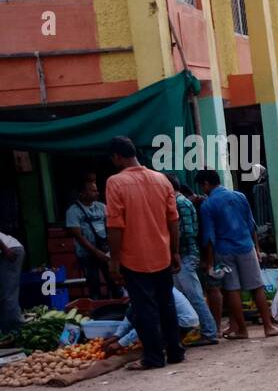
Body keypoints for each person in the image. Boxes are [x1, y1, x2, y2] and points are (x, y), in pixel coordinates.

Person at [104, 136, 184, 371]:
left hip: (134, 258)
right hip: (162, 254)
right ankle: (175, 351)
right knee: (166, 304)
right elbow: (174, 220)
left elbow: (115, 226)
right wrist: (175, 252)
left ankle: (153, 357)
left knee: (144, 309)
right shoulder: (161, 180)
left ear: (117, 157)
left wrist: (114, 260)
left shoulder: (115, 183)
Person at [194, 169, 278, 340]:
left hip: (224, 250)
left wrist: (209, 261)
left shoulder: (208, 205)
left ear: (206, 184)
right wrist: (256, 248)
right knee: (256, 287)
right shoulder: (239, 196)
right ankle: (268, 326)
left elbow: (209, 237)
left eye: (202, 185)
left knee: (232, 289)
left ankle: (242, 330)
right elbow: (251, 225)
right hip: (245, 246)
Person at [168, 175, 219, 347]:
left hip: (185, 255)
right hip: (182, 255)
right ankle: (199, 330)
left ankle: (209, 332)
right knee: (186, 296)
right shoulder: (178, 202)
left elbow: (188, 232)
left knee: (194, 295)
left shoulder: (180, 203)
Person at [104, 286, 201, 356]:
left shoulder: (151, 291)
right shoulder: (147, 287)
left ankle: (166, 344)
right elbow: (131, 312)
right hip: (181, 320)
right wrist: (117, 335)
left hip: (184, 323)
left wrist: (120, 343)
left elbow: (147, 322)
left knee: (146, 321)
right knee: (133, 310)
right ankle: (166, 342)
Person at [65, 179, 118, 299]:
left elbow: (111, 227)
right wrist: (96, 252)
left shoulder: (101, 207)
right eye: (92, 190)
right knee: (94, 286)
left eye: (96, 190)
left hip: (104, 251)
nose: (97, 192)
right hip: (86, 254)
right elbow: (79, 237)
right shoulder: (73, 211)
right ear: (82, 193)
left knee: (114, 282)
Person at [0, 231, 23, 334]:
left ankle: (16, 331)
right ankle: (6, 330)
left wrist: (6, 251)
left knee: (8, 294)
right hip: (6, 251)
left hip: (10, 250)